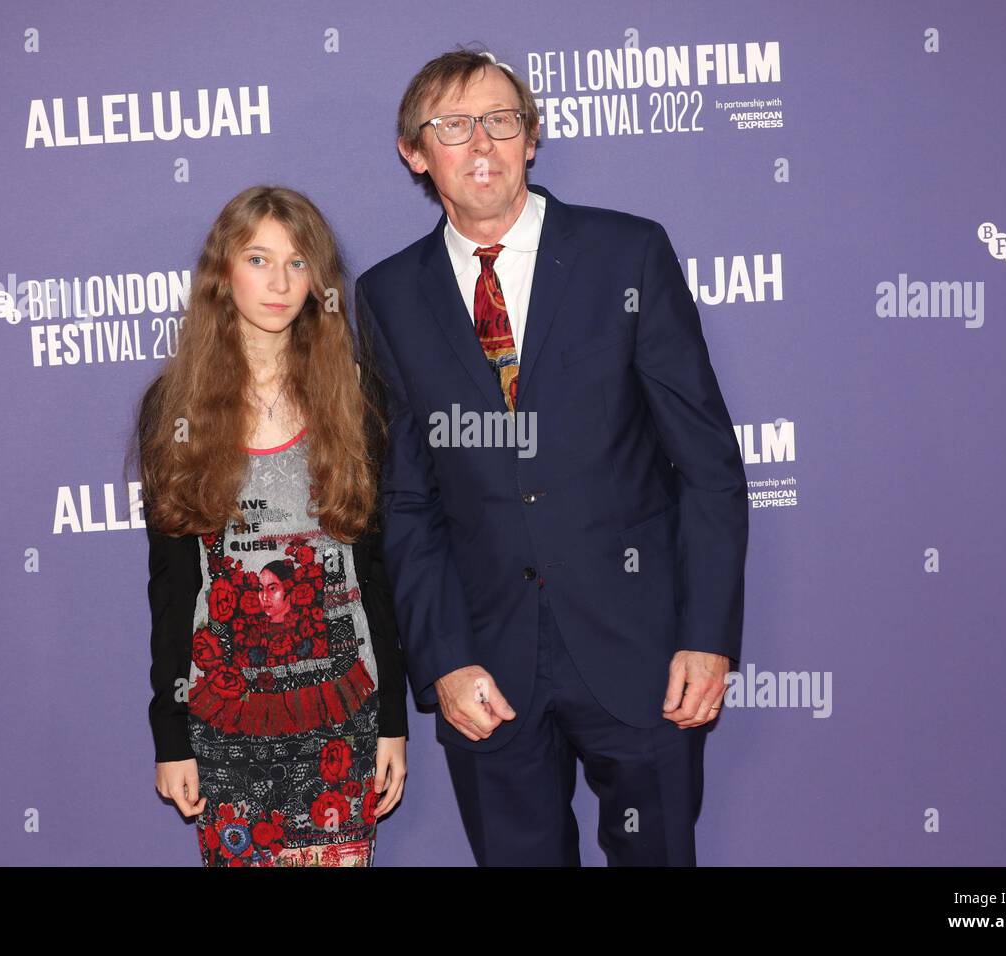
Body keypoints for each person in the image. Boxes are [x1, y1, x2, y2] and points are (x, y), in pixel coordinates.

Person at [354, 49, 749, 866]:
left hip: (643, 657)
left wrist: (706, 638)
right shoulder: (390, 295)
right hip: (488, 673)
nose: (482, 146)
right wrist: (444, 660)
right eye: (453, 128)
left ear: (532, 137)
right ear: (415, 153)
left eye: (501, 121)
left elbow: (706, 463)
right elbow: (409, 501)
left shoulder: (626, 254)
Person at [135, 185, 407, 867]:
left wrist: (393, 723)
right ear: (223, 273)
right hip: (224, 719)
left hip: (345, 712)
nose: (280, 282)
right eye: (258, 259)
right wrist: (171, 733)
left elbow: (378, 572)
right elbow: (171, 586)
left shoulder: (354, 394)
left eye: (296, 262)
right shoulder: (174, 408)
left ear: (319, 279)